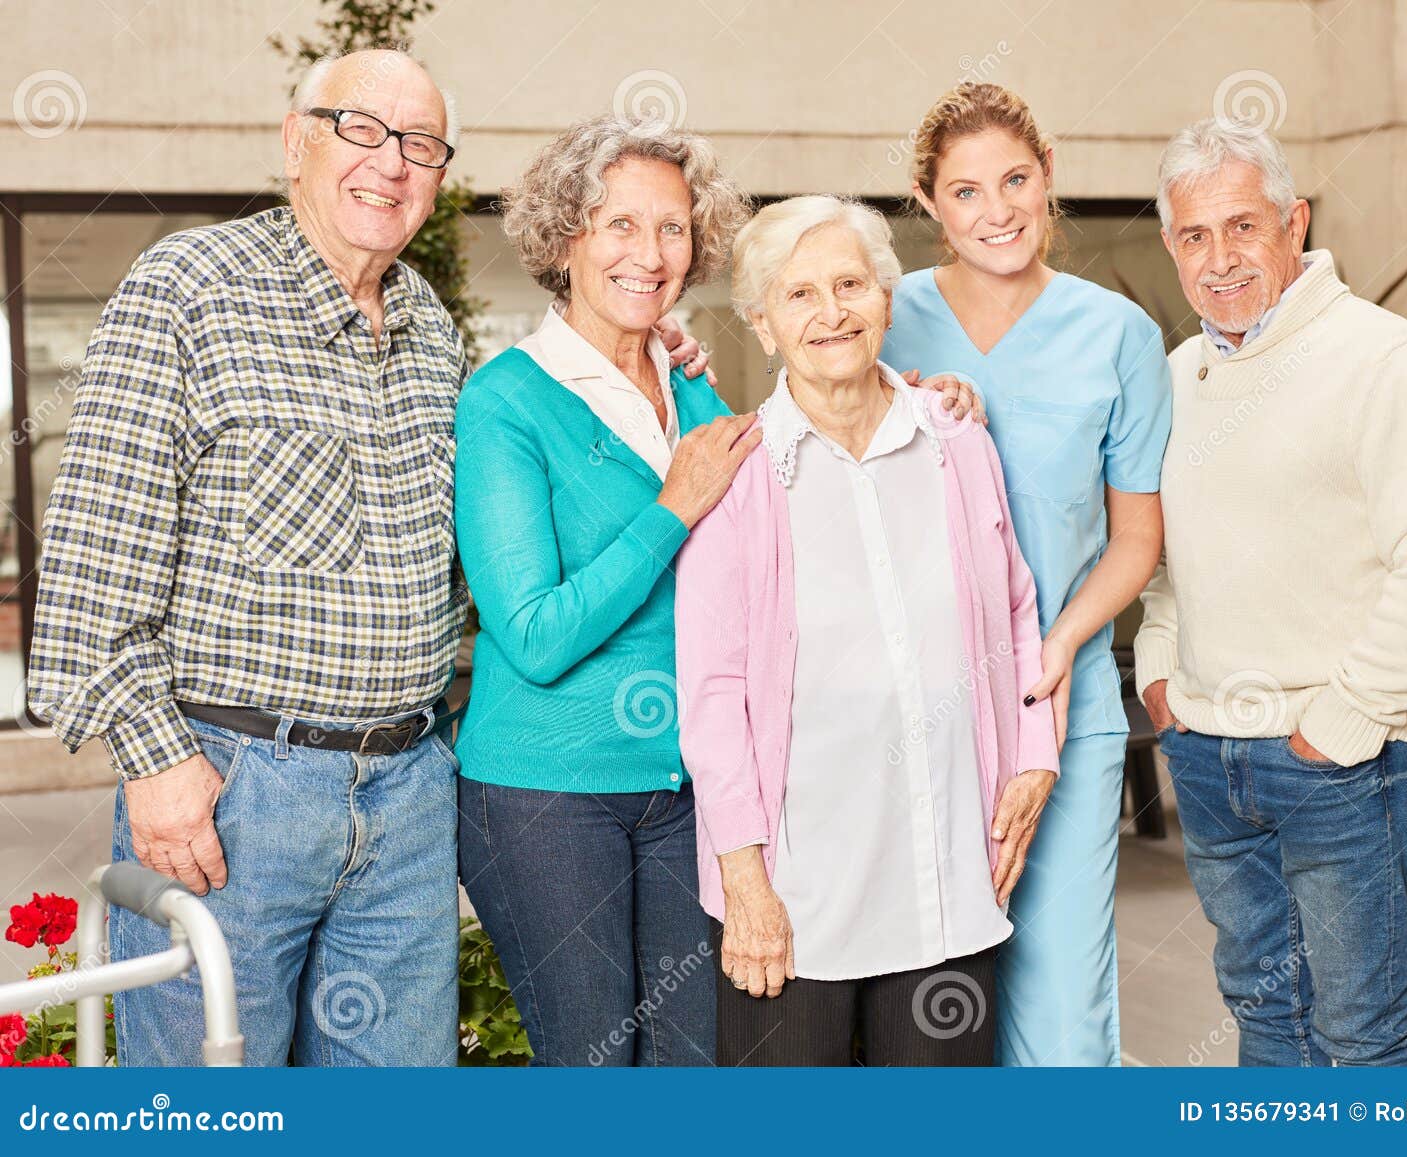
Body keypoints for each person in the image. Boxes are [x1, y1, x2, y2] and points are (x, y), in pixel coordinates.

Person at [28, 49, 469, 1066]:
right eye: (360, 129)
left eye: (420, 146)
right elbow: (92, 563)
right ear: (294, 141)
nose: (390, 164)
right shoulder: (191, 285)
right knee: (204, 1116)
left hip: (405, 796)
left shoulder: (430, 326)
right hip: (231, 790)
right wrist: (156, 762)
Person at [675, 195, 1059, 1067]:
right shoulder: (736, 477)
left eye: (849, 283)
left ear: (886, 300)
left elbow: (1014, 611)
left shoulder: (956, 445)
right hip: (795, 892)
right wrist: (745, 881)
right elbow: (712, 698)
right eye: (798, 294)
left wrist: (1034, 750)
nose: (830, 311)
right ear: (765, 328)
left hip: (945, 875)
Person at [1135, 118, 1407, 1066]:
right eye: (1195, 235)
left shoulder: (1380, 355)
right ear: (1170, 245)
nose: (1220, 259)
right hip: (1210, 757)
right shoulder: (1177, 377)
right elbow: (1161, 559)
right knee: (1266, 1019)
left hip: (1342, 762)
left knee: (1362, 1035)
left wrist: (1344, 719)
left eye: (1242, 227)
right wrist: (1162, 674)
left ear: (1294, 224)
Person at [453, 114, 755, 1067]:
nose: (649, 252)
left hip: (688, 785)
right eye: (619, 224)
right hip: (546, 794)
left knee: (696, 1065)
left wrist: (913, 398)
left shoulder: (694, 386)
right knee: (592, 1069)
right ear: (566, 236)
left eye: (672, 228)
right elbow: (534, 635)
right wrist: (671, 506)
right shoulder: (506, 397)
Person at [882, 83, 1171, 1066]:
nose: (995, 209)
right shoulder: (881, 322)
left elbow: (1136, 538)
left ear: (1049, 179)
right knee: (925, 994)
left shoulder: (1119, 336)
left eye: (1013, 179)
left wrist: (1056, 644)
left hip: (1063, 700)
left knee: (1057, 995)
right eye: (964, 191)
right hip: (912, 709)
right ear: (928, 203)